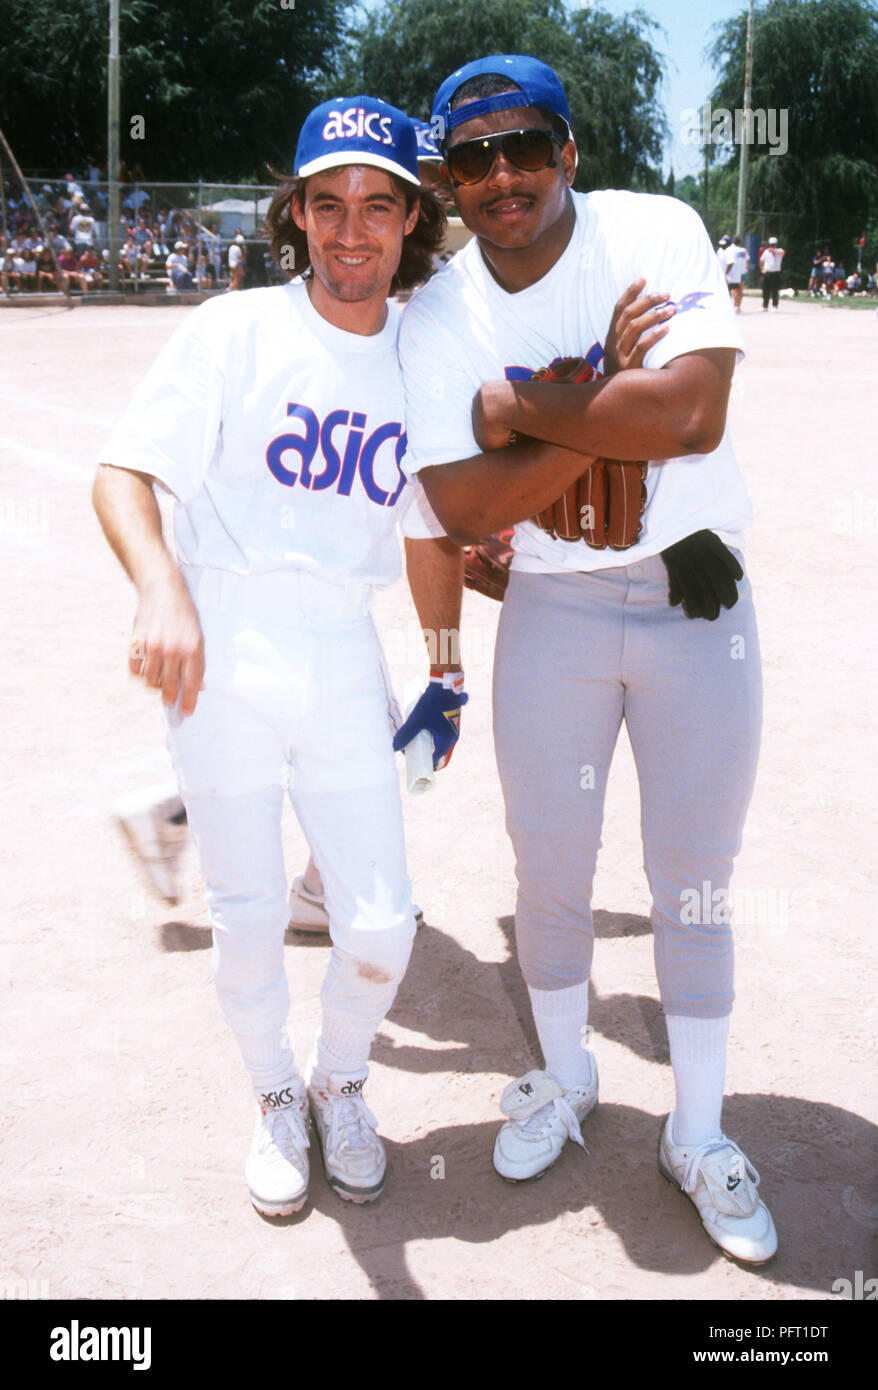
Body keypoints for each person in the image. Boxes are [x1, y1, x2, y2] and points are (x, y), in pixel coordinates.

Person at [399, 54, 776, 1264]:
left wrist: (520, 410)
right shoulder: (441, 309)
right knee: (549, 863)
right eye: (473, 156)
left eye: (525, 146)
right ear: (449, 180)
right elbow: (461, 505)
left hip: (692, 598)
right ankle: (564, 1080)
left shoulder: (651, 227)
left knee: (694, 872)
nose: (501, 175)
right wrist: (596, 390)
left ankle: (701, 1129)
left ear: (568, 151)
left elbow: (687, 417)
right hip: (553, 612)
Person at [92, 95, 464, 1218]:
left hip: (343, 647)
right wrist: (162, 588)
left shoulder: (423, 354)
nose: (350, 231)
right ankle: (271, 1096)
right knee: (249, 909)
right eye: (326, 204)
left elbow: (428, 528)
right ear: (293, 214)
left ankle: (339, 1080)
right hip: (225, 643)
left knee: (379, 916)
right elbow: (123, 475)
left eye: (377, 206)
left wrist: (444, 669)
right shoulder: (233, 329)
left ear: (410, 222)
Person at [723, 234, 749, 312]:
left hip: (734, 273)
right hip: (743, 272)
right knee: (740, 290)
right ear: (740, 242)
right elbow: (747, 261)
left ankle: (735, 305)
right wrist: (746, 269)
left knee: (734, 290)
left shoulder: (729, 250)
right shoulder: (743, 250)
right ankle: (738, 306)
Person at [758, 236, 784, 310]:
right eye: (771, 245)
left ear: (776, 244)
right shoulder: (766, 252)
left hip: (776, 273)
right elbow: (761, 260)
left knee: (775, 290)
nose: (772, 246)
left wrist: (774, 250)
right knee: (765, 290)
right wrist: (762, 269)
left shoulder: (779, 250)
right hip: (767, 272)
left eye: (773, 244)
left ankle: (774, 306)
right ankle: (765, 306)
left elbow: (783, 253)